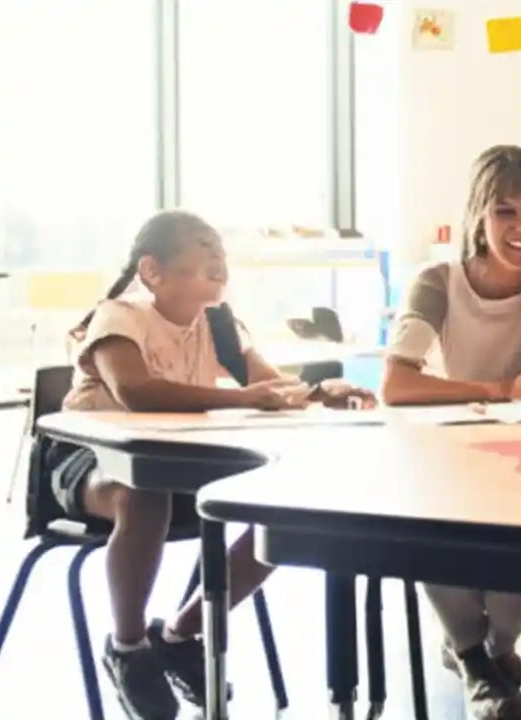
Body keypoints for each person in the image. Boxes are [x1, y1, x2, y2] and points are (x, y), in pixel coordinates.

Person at [51, 209, 375, 720]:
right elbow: (135, 393)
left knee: (287, 508)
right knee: (144, 495)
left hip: (175, 465)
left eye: (222, 250)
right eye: (204, 247)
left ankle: (181, 633)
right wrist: (242, 398)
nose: (220, 259)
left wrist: (318, 392)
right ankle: (129, 646)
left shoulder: (220, 324)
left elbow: (271, 385)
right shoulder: (120, 314)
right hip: (89, 462)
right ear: (152, 270)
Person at [381, 145, 521, 719]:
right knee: (423, 517)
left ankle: (480, 654)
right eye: (504, 212)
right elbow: (397, 384)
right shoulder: (437, 281)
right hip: (463, 455)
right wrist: (496, 389)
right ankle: (478, 659)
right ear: (477, 218)